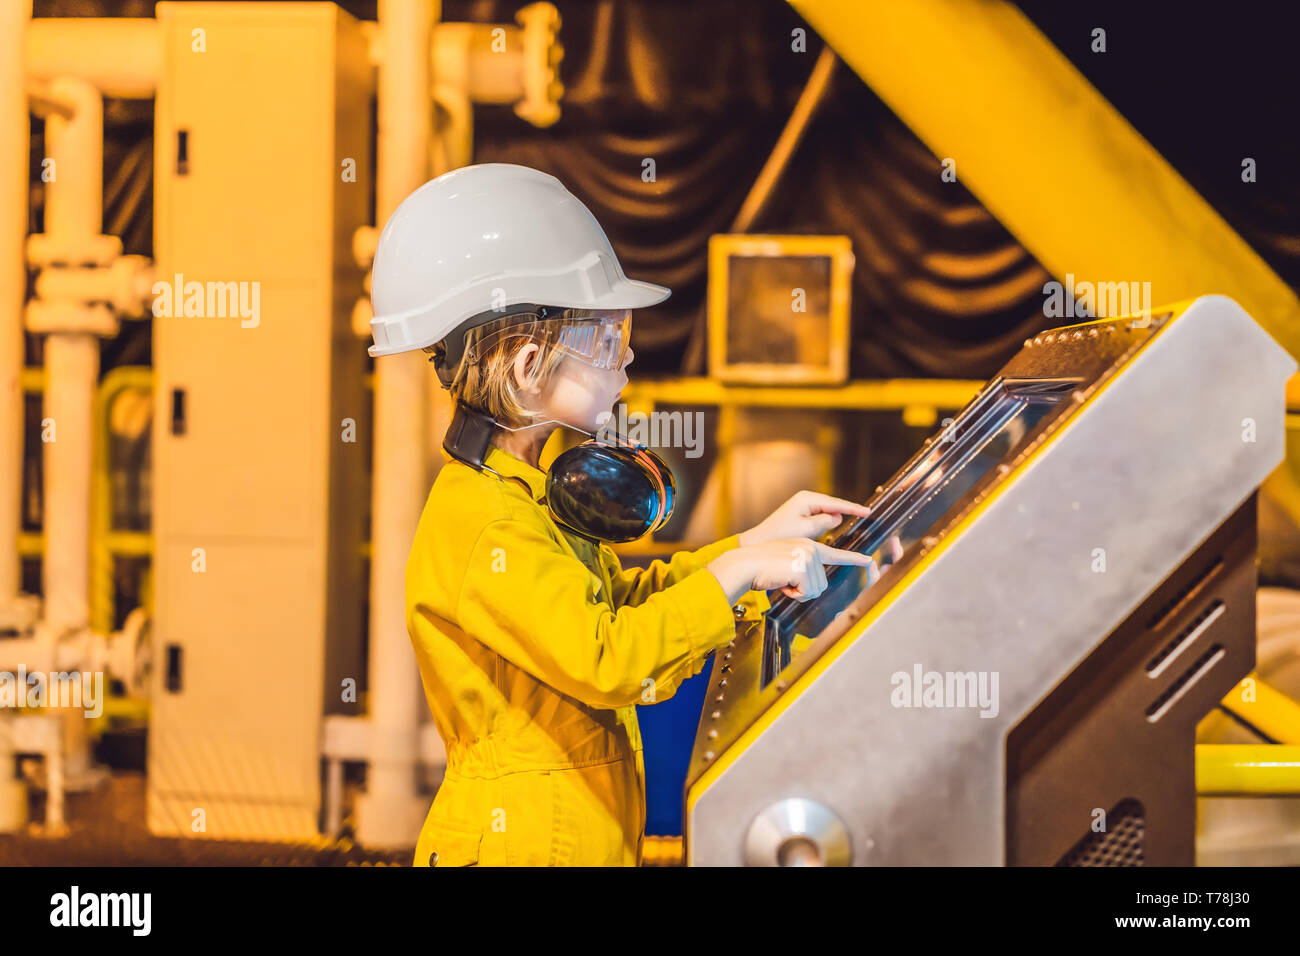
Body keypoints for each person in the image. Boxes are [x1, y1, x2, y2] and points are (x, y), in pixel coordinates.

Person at [368, 163, 874, 866]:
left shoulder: (526, 495)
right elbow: (606, 657)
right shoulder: (486, 524)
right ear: (526, 365)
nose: (627, 360)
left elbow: (617, 602)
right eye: (606, 341)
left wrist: (750, 549)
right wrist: (734, 573)